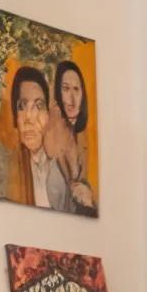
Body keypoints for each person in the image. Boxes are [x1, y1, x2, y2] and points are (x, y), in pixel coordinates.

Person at [5, 65, 71, 211]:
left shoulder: (63, 167)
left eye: (38, 105)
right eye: (22, 106)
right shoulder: (10, 170)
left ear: (49, 114)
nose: (29, 117)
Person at [49, 60, 96, 215]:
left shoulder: (82, 140)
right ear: (58, 93)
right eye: (65, 89)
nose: (72, 97)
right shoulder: (53, 138)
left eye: (76, 89)